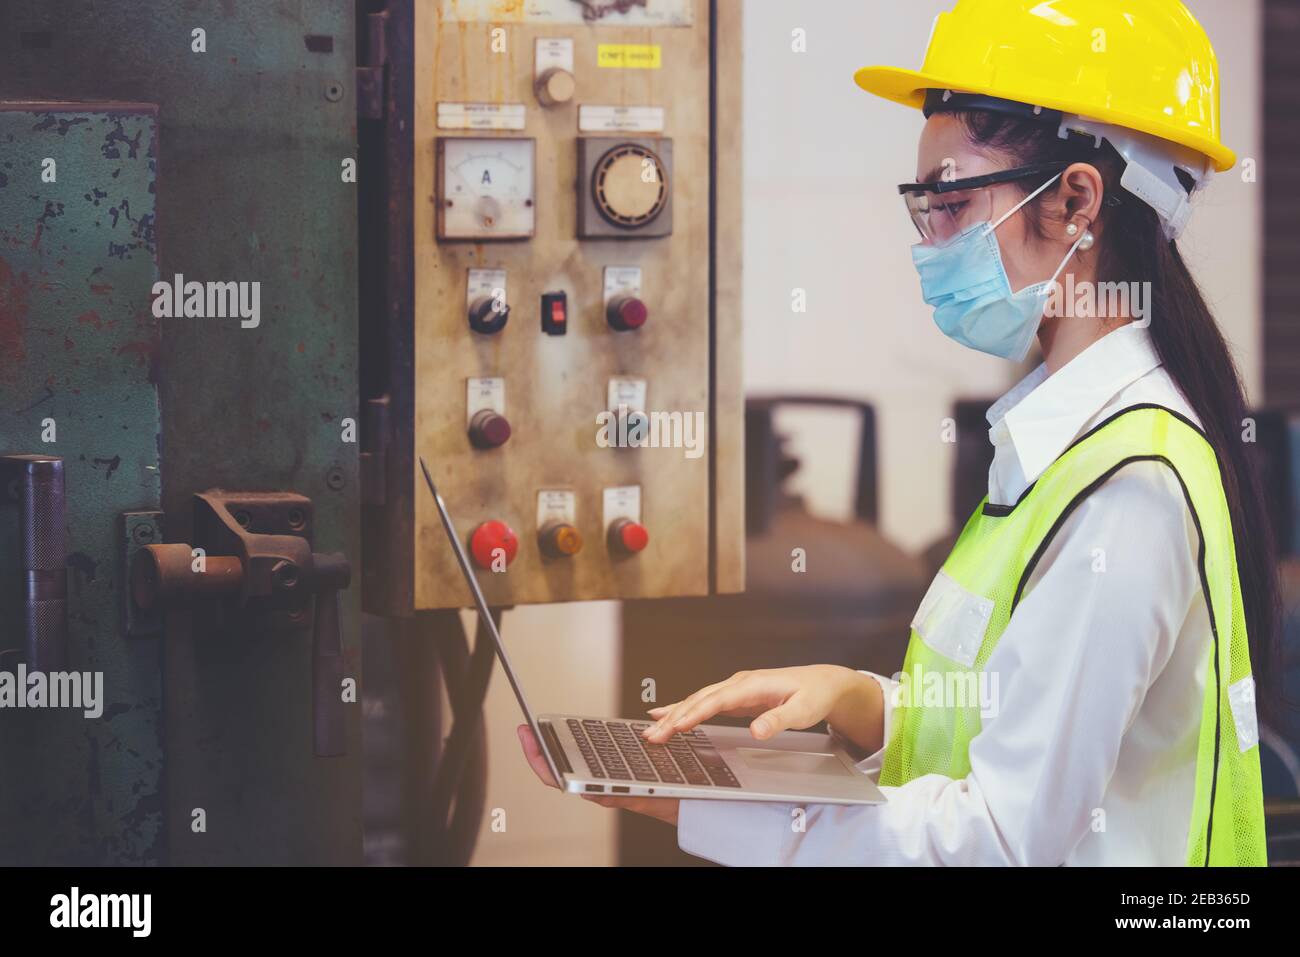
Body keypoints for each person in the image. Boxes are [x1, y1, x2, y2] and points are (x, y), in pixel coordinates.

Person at [520, 0, 1278, 865]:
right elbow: (1016, 714)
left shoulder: (1129, 491)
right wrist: (859, 700)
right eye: (923, 207)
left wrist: (718, 811)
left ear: (1075, 200)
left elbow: (999, 838)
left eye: (949, 204)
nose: (929, 243)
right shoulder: (1062, 445)